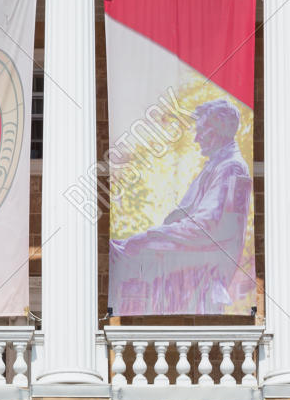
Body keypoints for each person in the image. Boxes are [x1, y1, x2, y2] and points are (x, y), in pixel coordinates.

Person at [109, 97, 254, 316]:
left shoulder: (230, 168)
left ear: (220, 131)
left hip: (197, 268)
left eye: (202, 130)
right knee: (117, 249)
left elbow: (205, 227)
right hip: (189, 262)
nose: (196, 138)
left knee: (121, 253)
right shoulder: (218, 165)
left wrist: (150, 237)